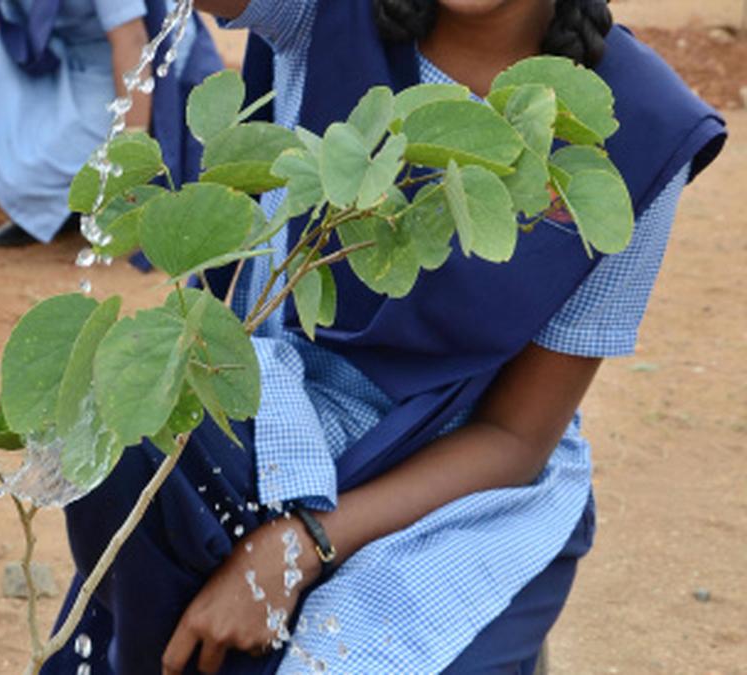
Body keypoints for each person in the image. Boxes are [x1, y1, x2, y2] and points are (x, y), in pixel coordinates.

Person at [44, 0, 727, 673]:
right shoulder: (326, 11)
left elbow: (515, 439)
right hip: (275, 408)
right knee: (127, 432)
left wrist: (301, 545)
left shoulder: (641, 129)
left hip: (456, 474)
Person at [0, 0, 221, 249]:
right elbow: (20, 53)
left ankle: (74, 209)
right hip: (65, 59)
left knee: (37, 165)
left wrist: (131, 152)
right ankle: (65, 206)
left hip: (138, 67)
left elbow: (131, 41)